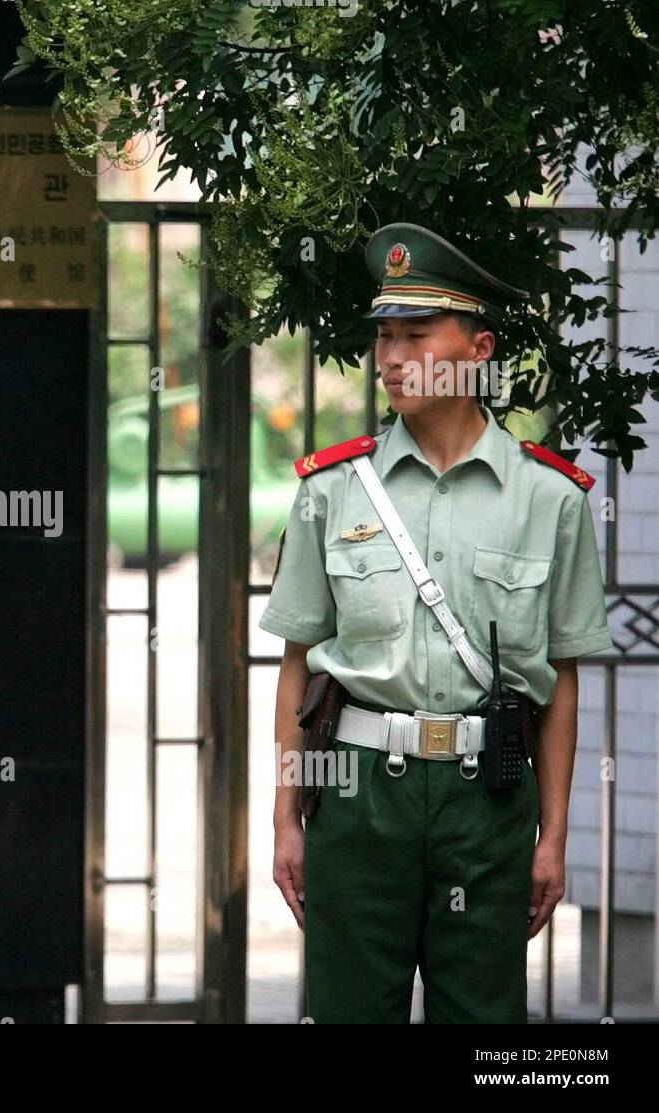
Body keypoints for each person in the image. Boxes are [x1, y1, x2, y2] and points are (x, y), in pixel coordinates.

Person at [261, 222, 614, 1023]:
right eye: (383, 337)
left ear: (478, 348)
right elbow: (297, 667)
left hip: (486, 803)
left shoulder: (550, 499)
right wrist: (286, 818)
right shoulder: (333, 489)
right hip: (354, 796)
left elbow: (561, 679)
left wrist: (551, 834)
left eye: (416, 335)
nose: (390, 357)